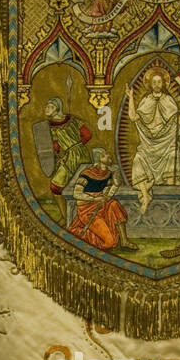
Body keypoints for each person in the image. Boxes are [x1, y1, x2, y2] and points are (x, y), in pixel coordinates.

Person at [127, 66, 180, 214]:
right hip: (148, 145)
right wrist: (131, 97)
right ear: (150, 84)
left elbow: (179, 122)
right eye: (154, 82)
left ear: (164, 84)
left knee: (173, 155)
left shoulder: (168, 100)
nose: (157, 85)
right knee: (138, 159)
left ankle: (172, 202)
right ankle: (145, 196)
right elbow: (134, 117)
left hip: (167, 144)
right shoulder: (146, 100)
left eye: (160, 82)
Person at [68, 149, 137, 251]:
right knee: (110, 242)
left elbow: (107, 196)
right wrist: (94, 198)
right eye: (105, 155)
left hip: (102, 205)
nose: (109, 156)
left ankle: (124, 241)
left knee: (114, 204)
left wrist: (115, 186)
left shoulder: (108, 174)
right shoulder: (87, 174)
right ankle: (83, 234)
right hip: (88, 211)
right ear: (99, 158)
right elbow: (76, 194)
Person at [44, 97, 92, 225]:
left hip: (73, 157)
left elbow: (87, 134)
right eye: (46, 106)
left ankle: (67, 218)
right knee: (78, 185)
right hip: (81, 154)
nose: (47, 109)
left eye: (51, 106)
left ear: (57, 109)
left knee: (56, 186)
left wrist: (72, 149)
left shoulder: (70, 120)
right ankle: (70, 218)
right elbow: (87, 135)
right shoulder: (53, 126)